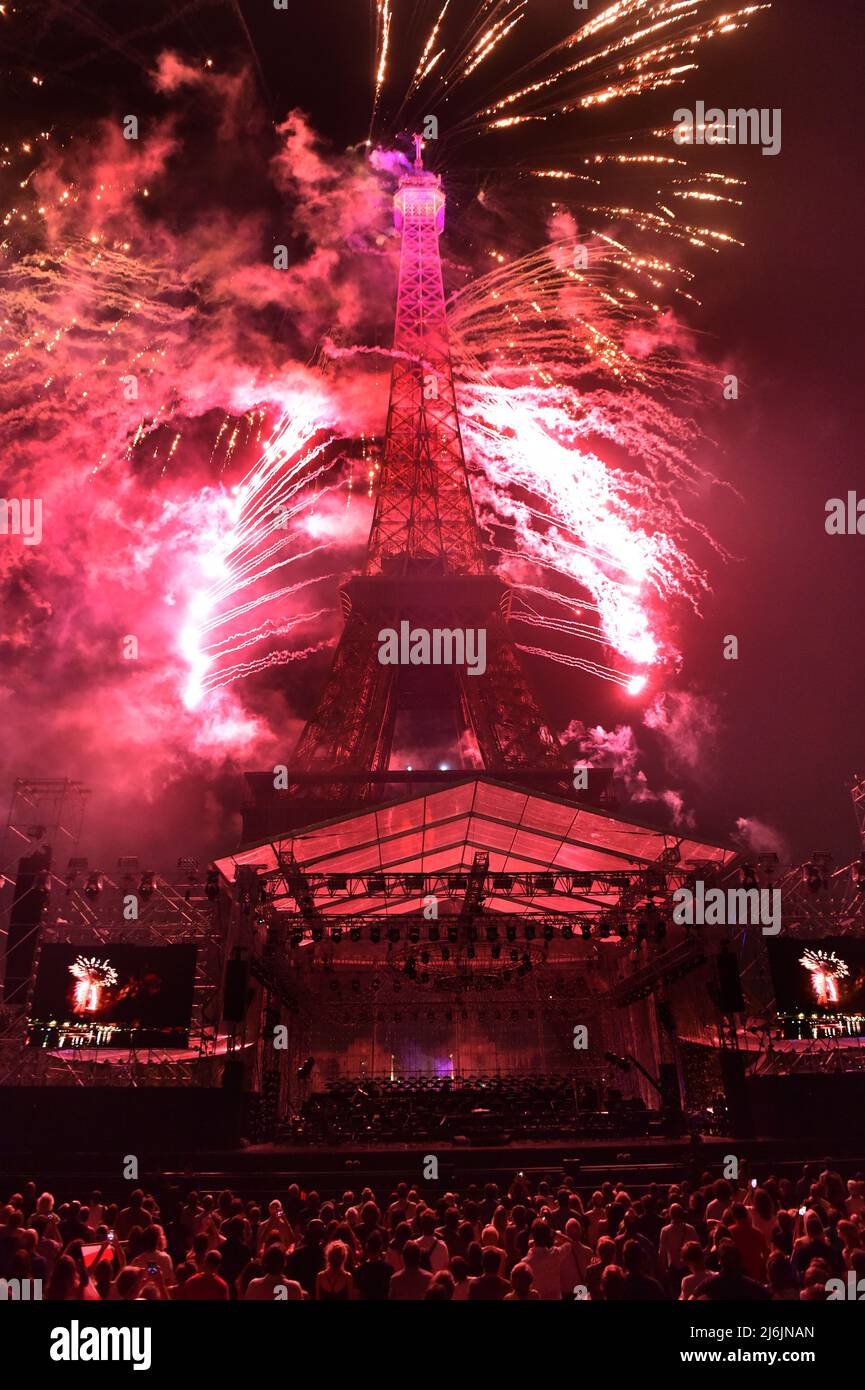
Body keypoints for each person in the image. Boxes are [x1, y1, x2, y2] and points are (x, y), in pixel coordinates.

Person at [523, 1220, 563, 1300]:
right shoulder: (555, 1254)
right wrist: (555, 1234)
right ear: (548, 1236)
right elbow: (570, 1243)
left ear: (533, 1236)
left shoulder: (525, 1263)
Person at [354, 1231, 392, 1300]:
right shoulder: (388, 1269)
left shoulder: (361, 1270)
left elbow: (357, 1294)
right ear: (380, 1247)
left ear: (367, 1246)